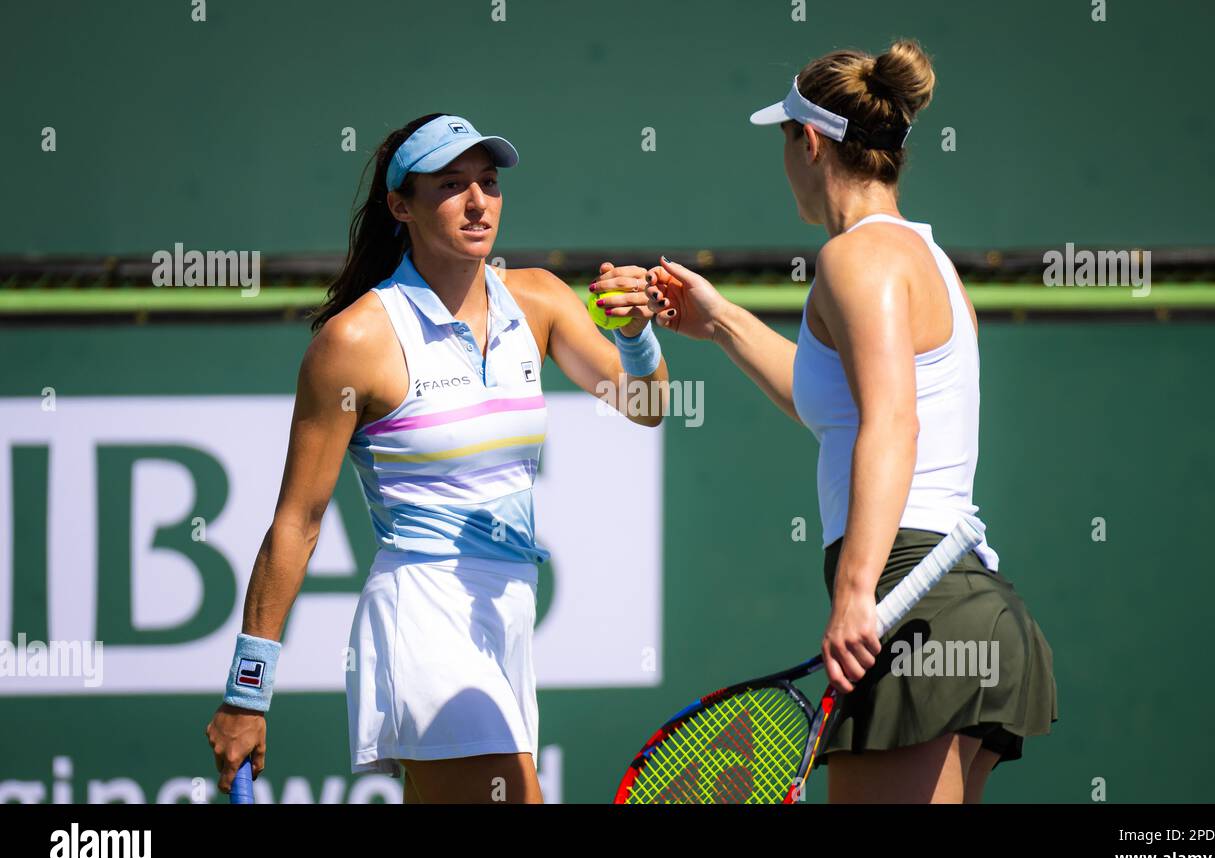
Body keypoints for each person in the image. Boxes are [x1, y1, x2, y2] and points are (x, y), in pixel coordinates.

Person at [593, 42, 1056, 804]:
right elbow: (835, 407)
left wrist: (853, 590)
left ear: (808, 141)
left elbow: (892, 424)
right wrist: (718, 322)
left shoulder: (856, 260)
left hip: (913, 597)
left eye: (783, 140)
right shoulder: (923, 260)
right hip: (968, 604)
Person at [206, 113, 669, 803]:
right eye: (452, 185)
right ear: (402, 206)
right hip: (423, 619)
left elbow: (645, 403)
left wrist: (634, 334)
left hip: (508, 616)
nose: (479, 201)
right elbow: (297, 523)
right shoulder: (355, 341)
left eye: (488, 182)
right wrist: (248, 692)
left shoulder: (538, 299)